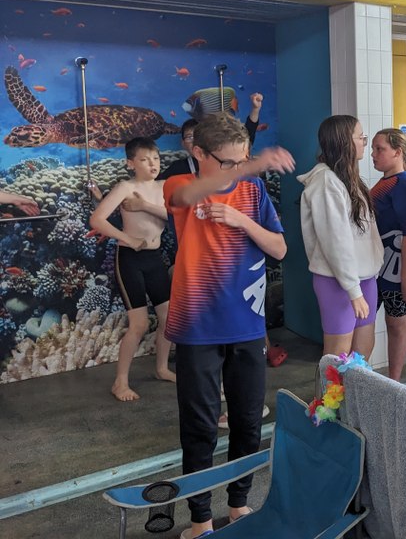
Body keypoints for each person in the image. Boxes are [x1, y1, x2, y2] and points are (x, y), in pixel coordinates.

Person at [163, 112, 294, 539]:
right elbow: (188, 197)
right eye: (230, 162)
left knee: (247, 423)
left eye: (244, 160)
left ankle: (238, 504)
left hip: (248, 326)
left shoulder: (252, 191)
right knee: (199, 428)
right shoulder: (179, 185)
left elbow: (280, 249)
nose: (239, 170)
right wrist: (254, 164)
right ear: (198, 152)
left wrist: (242, 219)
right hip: (196, 327)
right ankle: (200, 518)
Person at [90, 138, 175, 402]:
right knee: (138, 324)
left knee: (169, 320)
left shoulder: (164, 187)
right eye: (144, 159)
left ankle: (161, 368)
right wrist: (128, 240)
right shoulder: (126, 187)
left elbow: (174, 217)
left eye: (156, 159)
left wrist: (146, 207)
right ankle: (120, 382)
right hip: (130, 259)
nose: (153, 164)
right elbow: (97, 219)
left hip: (155, 258)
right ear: (130, 163)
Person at [299, 116, 383, 359]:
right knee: (337, 358)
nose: (364, 143)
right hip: (339, 282)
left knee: (362, 354)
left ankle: (355, 399)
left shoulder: (351, 180)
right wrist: (353, 291)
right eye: (361, 137)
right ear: (344, 142)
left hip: (364, 278)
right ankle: (326, 400)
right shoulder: (326, 183)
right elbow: (335, 243)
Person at [371, 128, 406, 380]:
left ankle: (394, 381)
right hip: (377, 267)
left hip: (394, 270)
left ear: (398, 151)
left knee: (396, 323)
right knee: (372, 324)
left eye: (379, 149)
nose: (373, 154)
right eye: (372, 148)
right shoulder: (383, 183)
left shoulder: (404, 185)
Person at [161, 94, 264, 180]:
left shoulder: (221, 158)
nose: (195, 141)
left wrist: (255, 109)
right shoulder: (177, 168)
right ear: (183, 143)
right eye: (189, 137)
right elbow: (154, 185)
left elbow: (246, 137)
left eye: (198, 136)